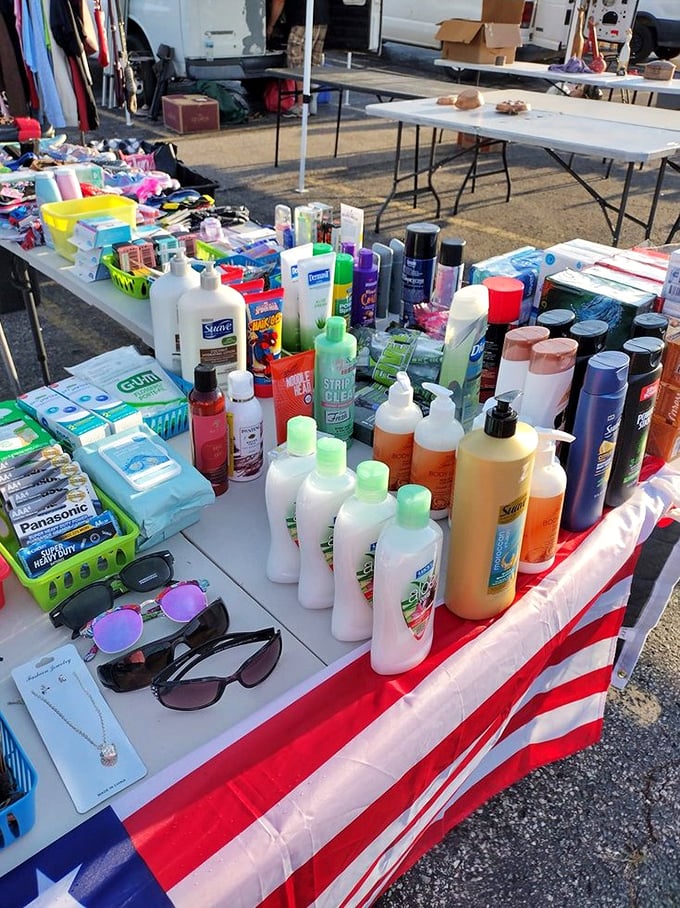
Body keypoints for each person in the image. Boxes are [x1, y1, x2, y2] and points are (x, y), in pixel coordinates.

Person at [267, 0, 330, 118]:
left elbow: (278, 1)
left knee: (297, 62)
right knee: (313, 62)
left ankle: (301, 105)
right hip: (322, 19)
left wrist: (270, 25)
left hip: (302, 21)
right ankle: (311, 102)